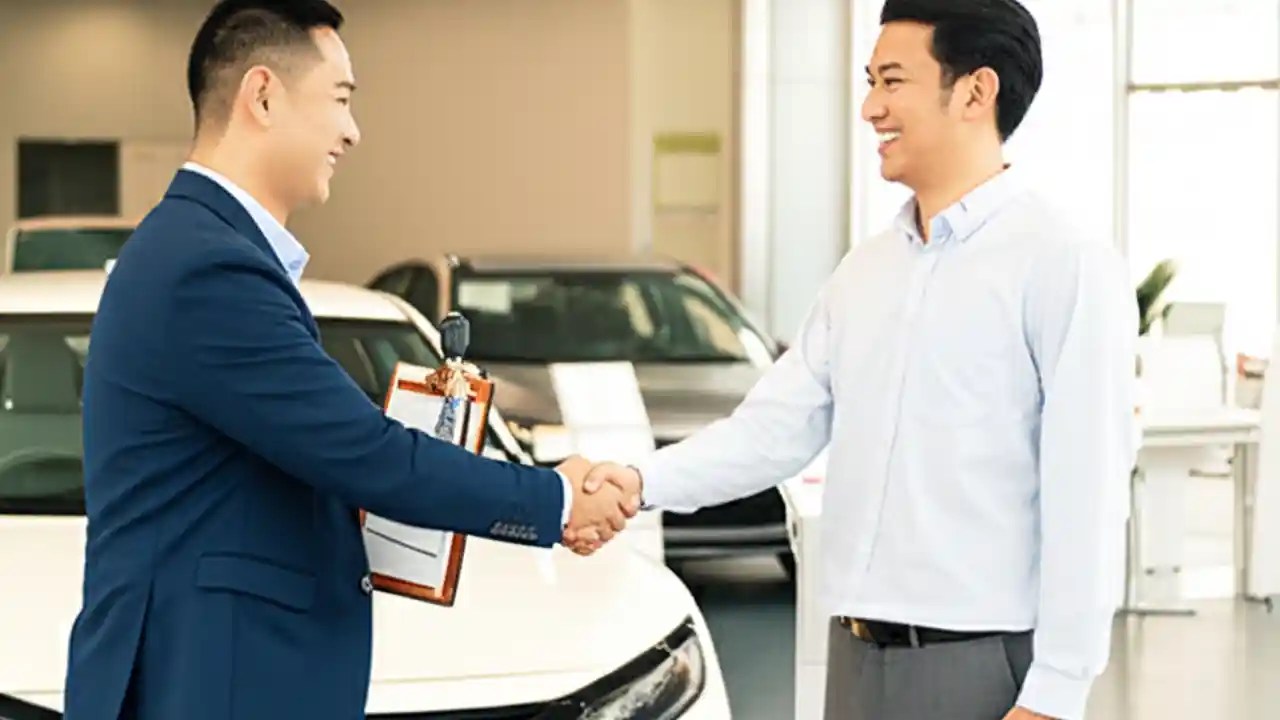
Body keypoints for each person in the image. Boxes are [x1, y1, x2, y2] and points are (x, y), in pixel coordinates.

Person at [62, 2, 632, 718]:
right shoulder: (205, 268)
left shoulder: (198, 249)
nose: (352, 132)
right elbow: (363, 453)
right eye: (340, 99)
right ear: (262, 96)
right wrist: (553, 500)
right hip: (211, 683)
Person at [578, 1, 1137, 718]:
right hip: (853, 654)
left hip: (979, 666)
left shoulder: (1064, 262)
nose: (871, 108)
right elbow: (771, 431)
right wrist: (636, 480)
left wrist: (1058, 692)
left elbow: (1087, 491)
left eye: (892, 81)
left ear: (975, 91)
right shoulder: (865, 271)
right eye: (869, 81)